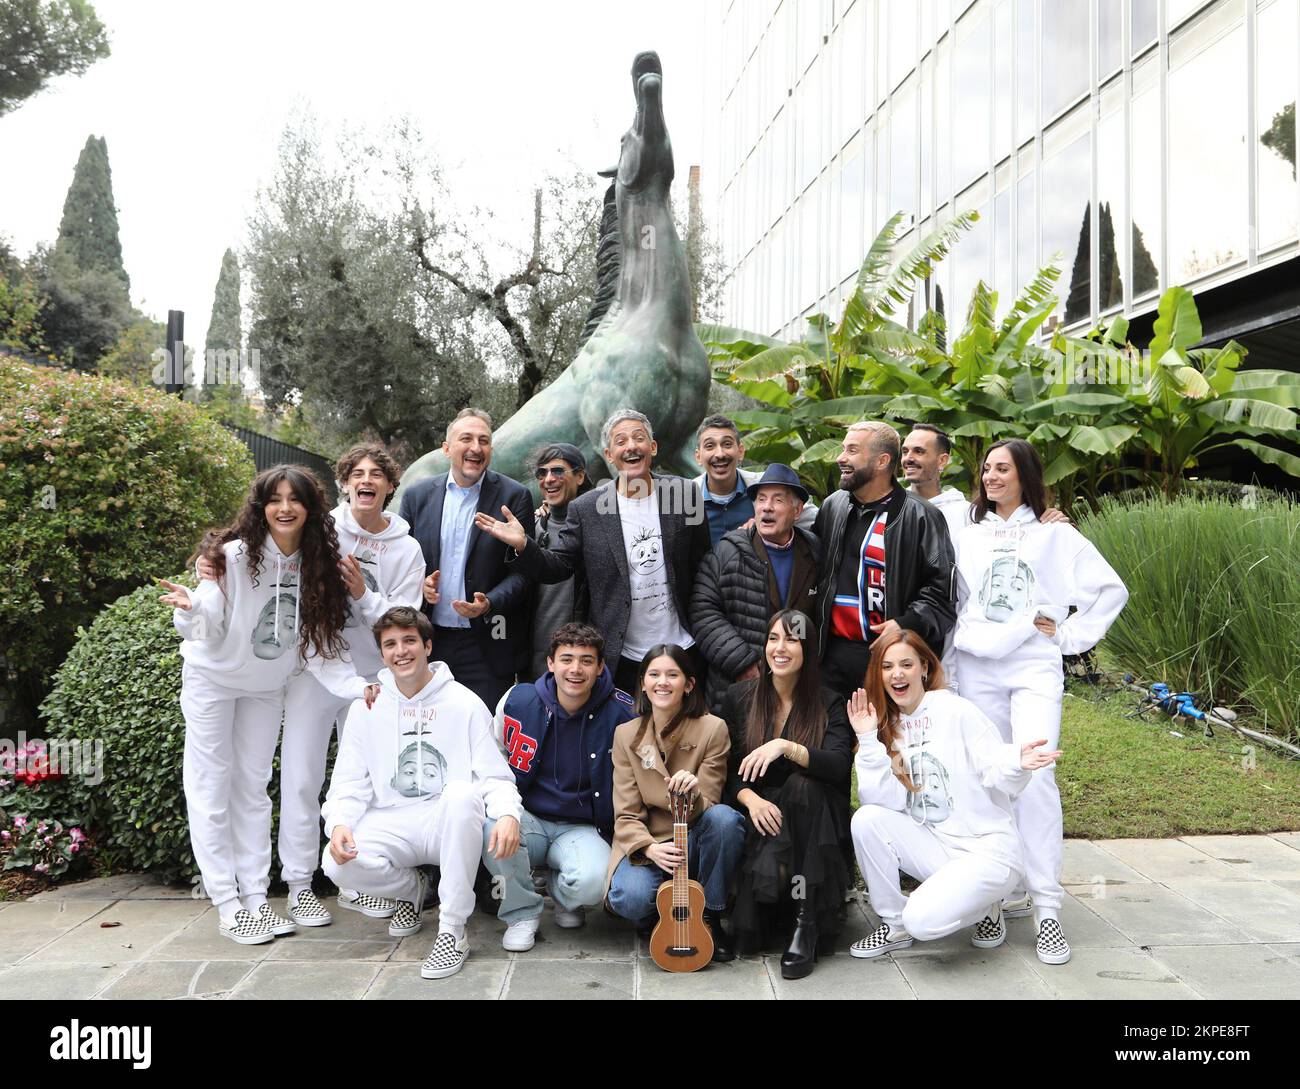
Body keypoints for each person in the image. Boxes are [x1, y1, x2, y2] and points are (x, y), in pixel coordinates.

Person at [158, 465, 376, 946]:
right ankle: (228, 904)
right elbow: (209, 620)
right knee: (210, 786)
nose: (284, 508)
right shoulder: (231, 557)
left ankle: (256, 898)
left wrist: (358, 687)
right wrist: (192, 607)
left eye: (294, 499)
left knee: (253, 788)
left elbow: (323, 648)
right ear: (261, 507)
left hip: (264, 687)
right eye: (274, 499)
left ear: (311, 508)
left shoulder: (320, 566)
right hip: (213, 681)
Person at [950, 438, 1128, 964]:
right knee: (988, 776)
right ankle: (995, 897)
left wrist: (1068, 636)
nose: (991, 476)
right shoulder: (968, 535)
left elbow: (1109, 590)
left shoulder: (1054, 535)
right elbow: (958, 602)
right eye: (986, 468)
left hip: (1033, 666)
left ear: (1025, 475)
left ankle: (1047, 907)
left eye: (1002, 469)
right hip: (977, 665)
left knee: (1037, 776)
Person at [321, 606, 539, 980]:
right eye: (390, 644)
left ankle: (452, 930)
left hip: (447, 821)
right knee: (334, 862)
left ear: (428, 646)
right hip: (390, 818)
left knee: (460, 794)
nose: (401, 651)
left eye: (409, 641)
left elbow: (494, 775)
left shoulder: (464, 702)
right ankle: (412, 890)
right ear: (382, 654)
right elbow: (349, 781)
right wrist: (339, 822)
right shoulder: (366, 707)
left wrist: (506, 814)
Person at [847, 628, 1060, 960]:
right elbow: (881, 801)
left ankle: (985, 904)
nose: (897, 674)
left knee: (920, 919)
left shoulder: (955, 710)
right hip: (940, 848)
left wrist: (1017, 761)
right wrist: (869, 739)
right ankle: (894, 925)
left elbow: (993, 762)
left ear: (925, 669)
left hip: (989, 853)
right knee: (866, 819)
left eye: (906, 664)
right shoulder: (888, 725)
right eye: (887, 667)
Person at [475, 409, 711, 695]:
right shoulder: (587, 508)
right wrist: (523, 545)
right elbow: (558, 567)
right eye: (620, 441)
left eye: (639, 438)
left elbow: (703, 566)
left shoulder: (684, 494)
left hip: (682, 648)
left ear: (653, 447)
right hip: (621, 656)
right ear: (609, 455)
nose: (631, 446)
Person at [720, 610, 853, 979]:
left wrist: (785, 746)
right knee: (752, 936)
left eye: (792, 639)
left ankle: (804, 920)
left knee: (803, 787)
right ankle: (788, 908)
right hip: (764, 819)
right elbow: (724, 769)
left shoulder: (828, 702)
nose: (780, 647)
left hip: (816, 823)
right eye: (773, 638)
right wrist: (750, 799)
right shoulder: (739, 697)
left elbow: (839, 765)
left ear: (808, 650)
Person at [481, 622, 634, 931]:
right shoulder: (518, 700)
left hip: (583, 825)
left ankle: (564, 892)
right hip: (529, 817)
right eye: (566, 659)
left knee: (591, 882)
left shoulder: (623, 712)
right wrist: (505, 810)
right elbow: (491, 760)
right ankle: (522, 913)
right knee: (489, 829)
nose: (575, 669)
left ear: (600, 666)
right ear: (550, 663)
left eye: (586, 660)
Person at [606, 644, 745, 962]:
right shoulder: (626, 735)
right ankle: (660, 913)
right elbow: (626, 813)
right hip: (653, 845)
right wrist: (648, 848)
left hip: (693, 837)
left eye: (673, 674)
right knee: (629, 898)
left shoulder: (713, 728)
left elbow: (710, 806)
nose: (662, 682)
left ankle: (710, 914)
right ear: (642, 682)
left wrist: (694, 793)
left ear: (689, 683)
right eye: (653, 674)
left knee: (726, 819)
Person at [398, 408, 536, 710]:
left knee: (484, 740)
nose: (476, 448)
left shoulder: (515, 497)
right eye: (467, 439)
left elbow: (525, 574)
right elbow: (399, 566)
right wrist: (419, 586)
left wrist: (490, 602)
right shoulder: (416, 497)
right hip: (428, 642)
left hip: (487, 646)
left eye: (484, 441)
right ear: (447, 449)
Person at [813, 421, 956, 699]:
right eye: (843, 449)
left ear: (882, 461)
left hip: (889, 658)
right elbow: (811, 563)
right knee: (832, 740)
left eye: (852, 450)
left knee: (888, 741)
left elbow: (942, 594)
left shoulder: (922, 516)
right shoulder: (833, 505)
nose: (841, 458)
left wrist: (905, 623)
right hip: (830, 657)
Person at [690, 464, 821, 713]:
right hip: (737, 687)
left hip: (797, 690)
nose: (766, 507)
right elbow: (702, 611)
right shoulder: (728, 550)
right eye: (761, 499)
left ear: (797, 510)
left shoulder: (814, 552)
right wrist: (742, 664)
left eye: (777, 500)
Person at [691, 414, 818, 547]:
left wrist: (768, 530)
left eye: (727, 444)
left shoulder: (765, 485)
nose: (720, 454)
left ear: (740, 451)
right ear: (698, 456)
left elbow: (817, 520)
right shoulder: (685, 498)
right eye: (710, 446)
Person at [526, 443, 594, 679]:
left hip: (581, 658)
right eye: (542, 473)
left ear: (580, 476)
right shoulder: (534, 528)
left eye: (557, 471)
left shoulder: (599, 527)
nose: (549, 479)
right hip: (535, 658)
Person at [901, 424, 970, 534]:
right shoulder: (892, 507)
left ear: (942, 460)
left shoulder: (966, 515)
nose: (908, 458)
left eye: (919, 451)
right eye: (905, 452)